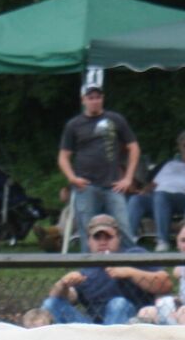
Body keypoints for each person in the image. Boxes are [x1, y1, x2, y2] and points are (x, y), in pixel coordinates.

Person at [40, 215, 170, 324]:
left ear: (118, 238)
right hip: (92, 330)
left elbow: (165, 284)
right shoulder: (85, 271)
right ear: (89, 242)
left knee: (118, 303)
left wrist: (130, 272)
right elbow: (68, 297)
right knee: (51, 303)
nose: (103, 242)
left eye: (108, 237)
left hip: (131, 325)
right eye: (97, 237)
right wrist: (64, 284)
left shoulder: (134, 255)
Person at [56, 84, 141, 244]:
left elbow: (134, 147)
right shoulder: (74, 125)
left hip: (113, 185)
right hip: (86, 185)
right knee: (88, 231)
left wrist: (128, 178)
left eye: (98, 97)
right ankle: (90, 267)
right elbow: (63, 156)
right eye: (91, 98)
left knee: (123, 227)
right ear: (83, 100)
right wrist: (72, 178)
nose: (95, 101)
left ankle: (130, 264)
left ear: (102, 98)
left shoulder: (115, 119)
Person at [128, 129, 185, 248]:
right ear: (180, 147)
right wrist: (144, 191)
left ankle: (163, 241)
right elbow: (154, 184)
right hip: (158, 197)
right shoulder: (170, 164)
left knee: (161, 196)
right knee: (137, 200)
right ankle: (128, 240)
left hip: (183, 198)